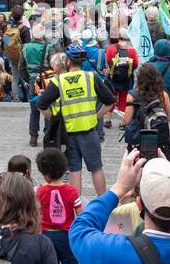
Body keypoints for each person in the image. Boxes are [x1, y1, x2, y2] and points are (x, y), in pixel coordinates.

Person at [36, 45, 115, 197]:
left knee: (74, 170)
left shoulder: (59, 80)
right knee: (96, 168)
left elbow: (41, 104)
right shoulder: (90, 77)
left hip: (69, 133)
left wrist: (53, 119)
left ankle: (75, 207)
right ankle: (103, 204)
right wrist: (97, 116)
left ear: (68, 62)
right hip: (90, 131)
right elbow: (111, 101)